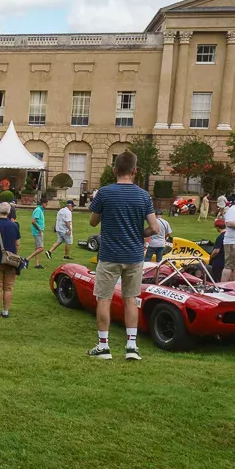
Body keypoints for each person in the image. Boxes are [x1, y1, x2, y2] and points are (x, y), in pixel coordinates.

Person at [87, 150, 161, 361]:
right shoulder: (143, 195)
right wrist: (139, 233)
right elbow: (154, 228)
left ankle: (103, 346)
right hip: (134, 255)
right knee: (131, 299)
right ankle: (131, 346)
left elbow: (93, 222)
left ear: (114, 170)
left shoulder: (105, 193)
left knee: (104, 298)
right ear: (134, 171)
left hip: (110, 254)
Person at [27, 196, 48, 269]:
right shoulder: (38, 210)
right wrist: (39, 229)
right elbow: (33, 221)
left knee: (37, 248)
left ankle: (37, 264)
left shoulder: (41, 210)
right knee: (41, 248)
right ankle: (27, 259)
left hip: (39, 231)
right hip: (37, 232)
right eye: (46, 203)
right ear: (42, 203)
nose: (46, 205)